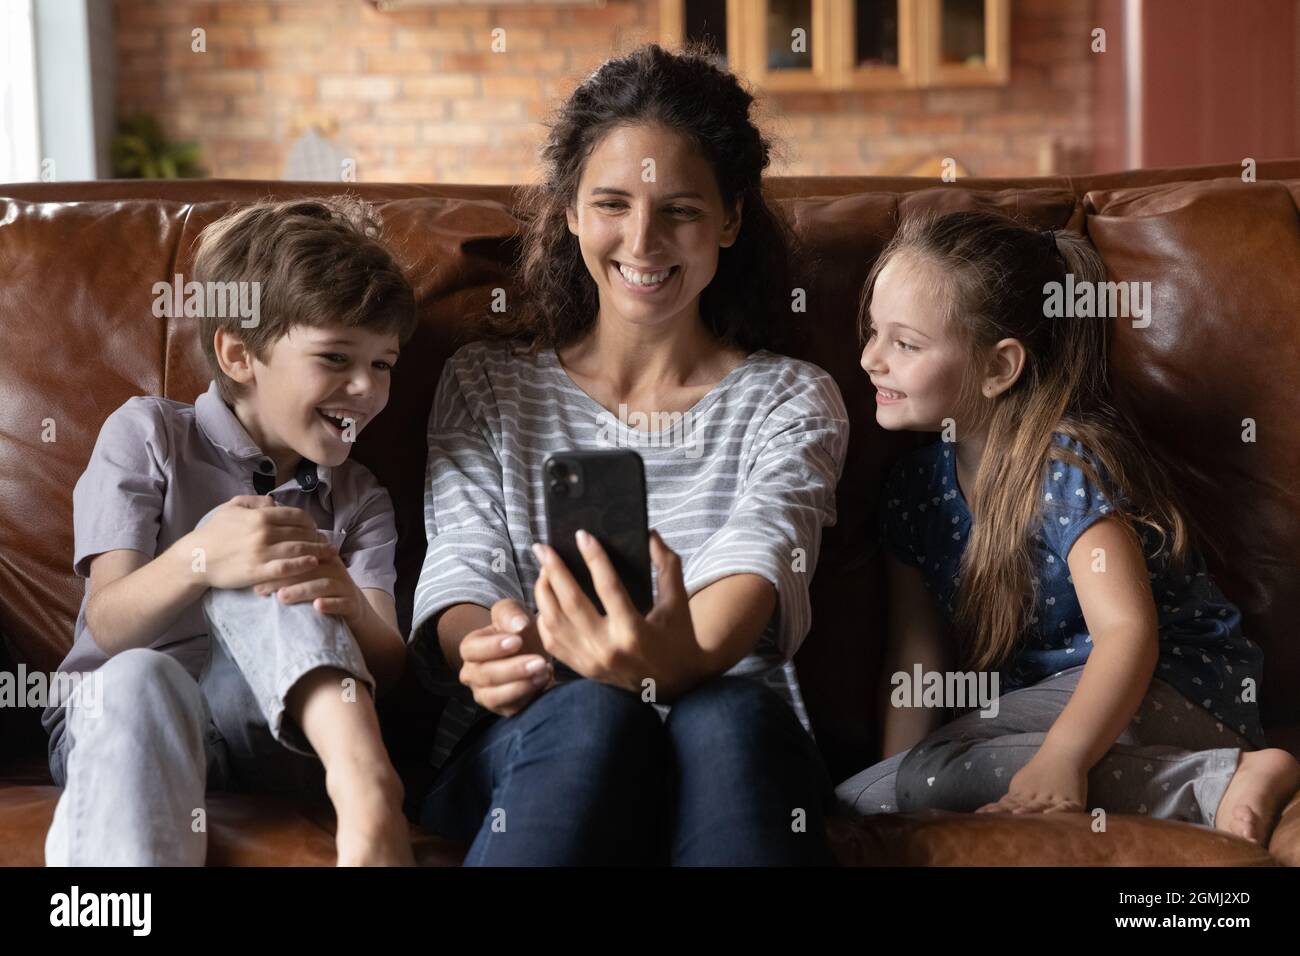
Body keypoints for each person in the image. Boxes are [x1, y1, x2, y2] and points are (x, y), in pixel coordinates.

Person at [411, 44, 850, 865]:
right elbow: (462, 572)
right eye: (611, 202)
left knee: (726, 711)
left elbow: (750, 588)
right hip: (533, 744)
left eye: (680, 209)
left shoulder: (789, 401)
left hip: (725, 748)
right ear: (570, 211)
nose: (642, 242)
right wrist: (490, 643)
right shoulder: (486, 384)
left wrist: (660, 662)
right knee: (592, 714)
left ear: (730, 218)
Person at [838, 209, 1300, 844]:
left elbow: (1128, 632)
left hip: (1172, 689)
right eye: (872, 333)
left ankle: (1221, 782)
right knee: (861, 799)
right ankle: (1186, 777)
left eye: (905, 343)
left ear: (1001, 367)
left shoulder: (1064, 467)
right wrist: (889, 795)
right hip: (1048, 712)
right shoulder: (913, 493)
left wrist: (1064, 757)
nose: (869, 359)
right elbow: (918, 658)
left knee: (930, 776)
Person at [43, 197, 417, 865]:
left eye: (383, 363)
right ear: (240, 356)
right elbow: (110, 621)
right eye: (335, 358)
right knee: (141, 669)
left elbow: (387, 663)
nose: (365, 388)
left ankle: (368, 790)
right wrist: (199, 557)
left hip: (277, 737)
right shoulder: (148, 435)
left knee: (272, 542)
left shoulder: (361, 497)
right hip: (132, 722)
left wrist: (343, 596)